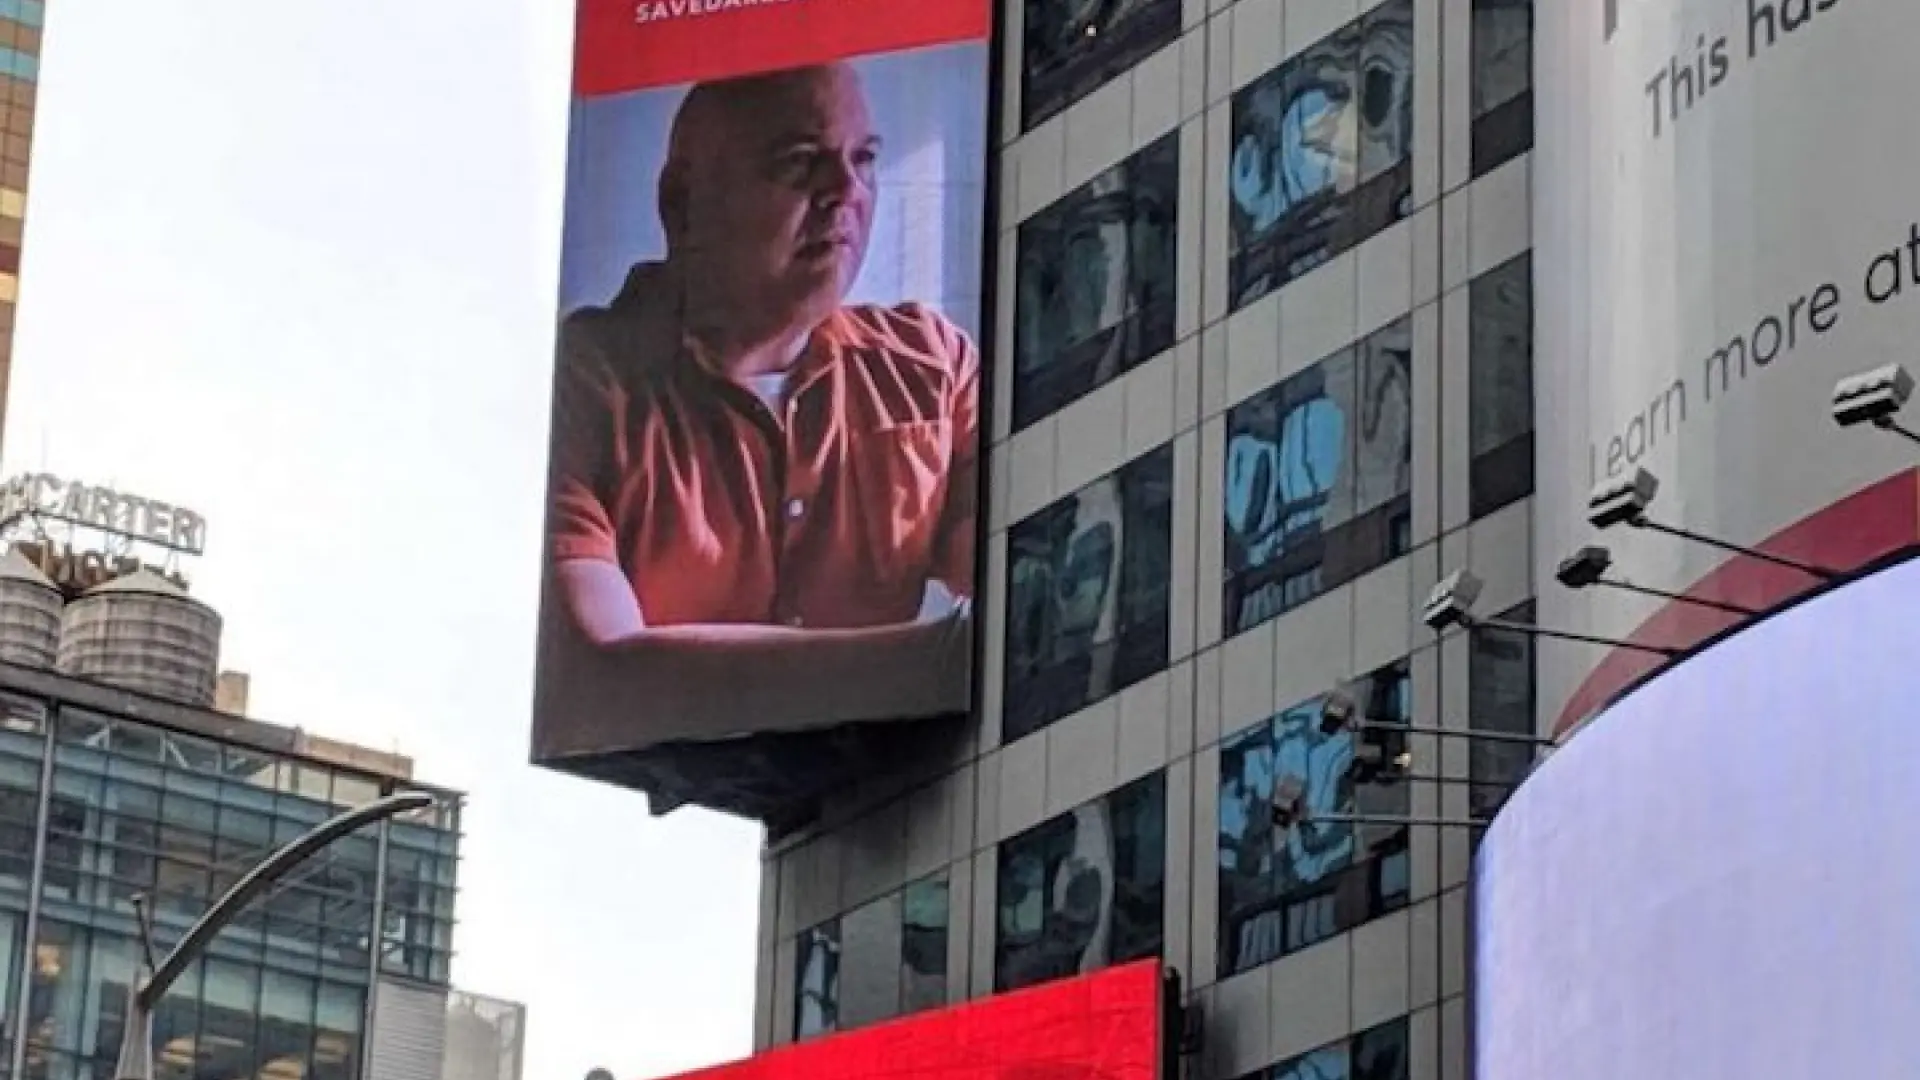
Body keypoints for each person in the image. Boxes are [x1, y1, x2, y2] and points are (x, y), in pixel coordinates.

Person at [542, 62, 978, 740]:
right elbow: (602, 670)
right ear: (682, 204)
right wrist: (936, 662)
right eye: (799, 165)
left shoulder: (931, 362)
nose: (846, 192)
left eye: (863, 159)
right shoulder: (592, 379)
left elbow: (1020, 593)